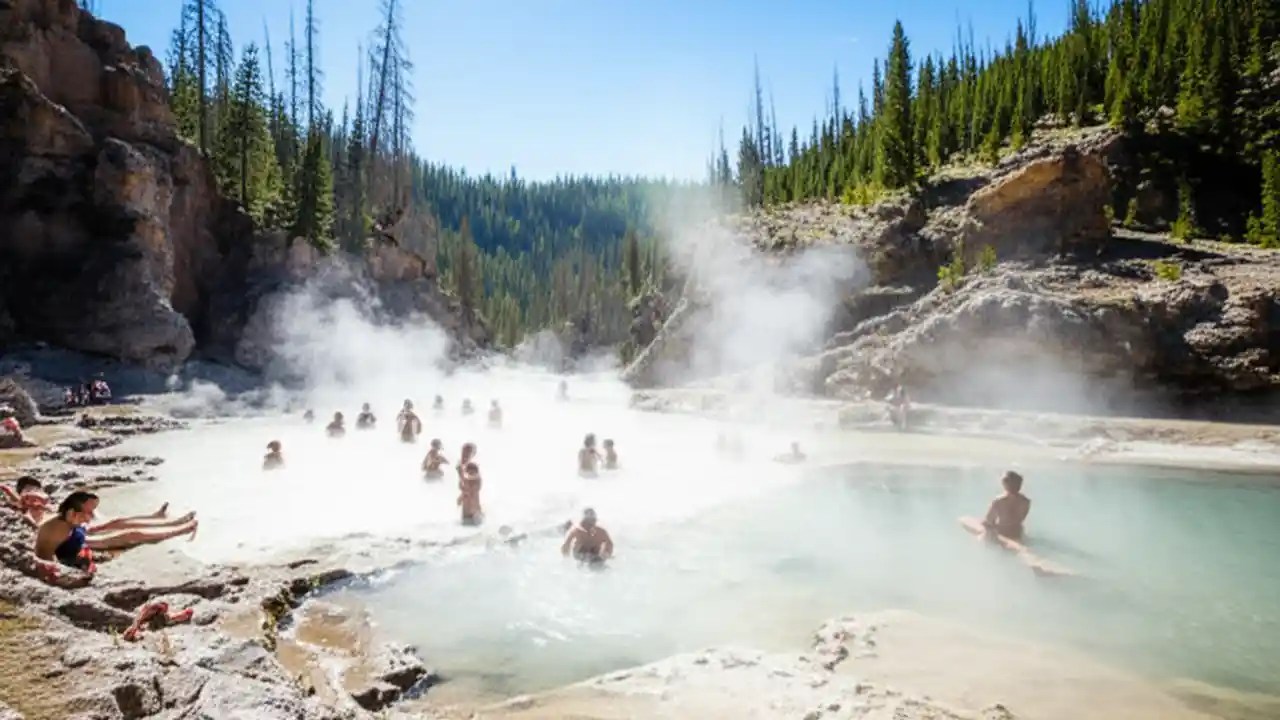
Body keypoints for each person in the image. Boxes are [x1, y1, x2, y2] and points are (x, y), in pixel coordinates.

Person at [35, 492, 197, 572]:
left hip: (78, 535)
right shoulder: (53, 530)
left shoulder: (67, 519)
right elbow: (46, 563)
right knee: (131, 534)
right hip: (80, 545)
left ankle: (165, 520)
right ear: (72, 513)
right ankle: (179, 530)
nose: (91, 516)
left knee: (118, 522)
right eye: (88, 513)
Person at [977, 471, 1031, 540]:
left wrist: (984, 524)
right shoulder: (1026, 501)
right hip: (1018, 533)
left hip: (1002, 533)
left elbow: (989, 521)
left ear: (1005, 485)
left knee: (980, 536)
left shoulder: (998, 501)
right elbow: (1021, 519)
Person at [457, 462, 483, 526]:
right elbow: (458, 502)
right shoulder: (465, 487)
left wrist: (461, 474)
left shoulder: (477, 481)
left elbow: (473, 478)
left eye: (473, 473)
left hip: (475, 516)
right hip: (466, 517)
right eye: (469, 473)